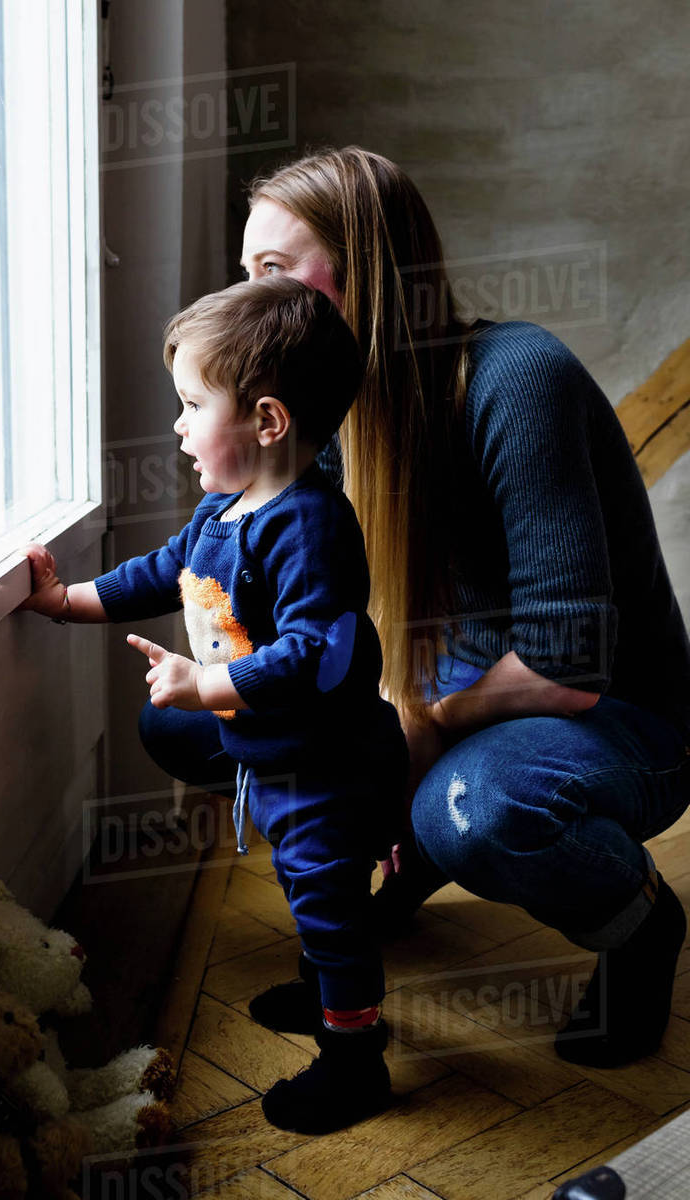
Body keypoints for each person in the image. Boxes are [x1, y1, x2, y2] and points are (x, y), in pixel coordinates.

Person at [228, 146, 690, 1071]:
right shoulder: (330, 414)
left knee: (473, 812)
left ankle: (641, 925)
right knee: (223, 721)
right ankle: (359, 934)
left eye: (275, 273)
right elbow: (309, 617)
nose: (250, 303)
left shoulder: (515, 378)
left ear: (367, 272)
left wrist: (422, 723)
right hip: (456, 704)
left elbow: (568, 668)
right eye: (244, 277)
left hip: (620, 723)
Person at [17, 275, 409, 1135]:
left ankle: (356, 1063)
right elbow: (163, 572)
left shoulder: (307, 527)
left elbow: (314, 652)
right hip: (277, 755)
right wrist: (67, 600)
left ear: (268, 422)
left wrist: (206, 688)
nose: (178, 425)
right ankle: (323, 994)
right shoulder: (224, 508)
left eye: (194, 404)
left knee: (330, 907)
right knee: (313, 891)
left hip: (330, 764)